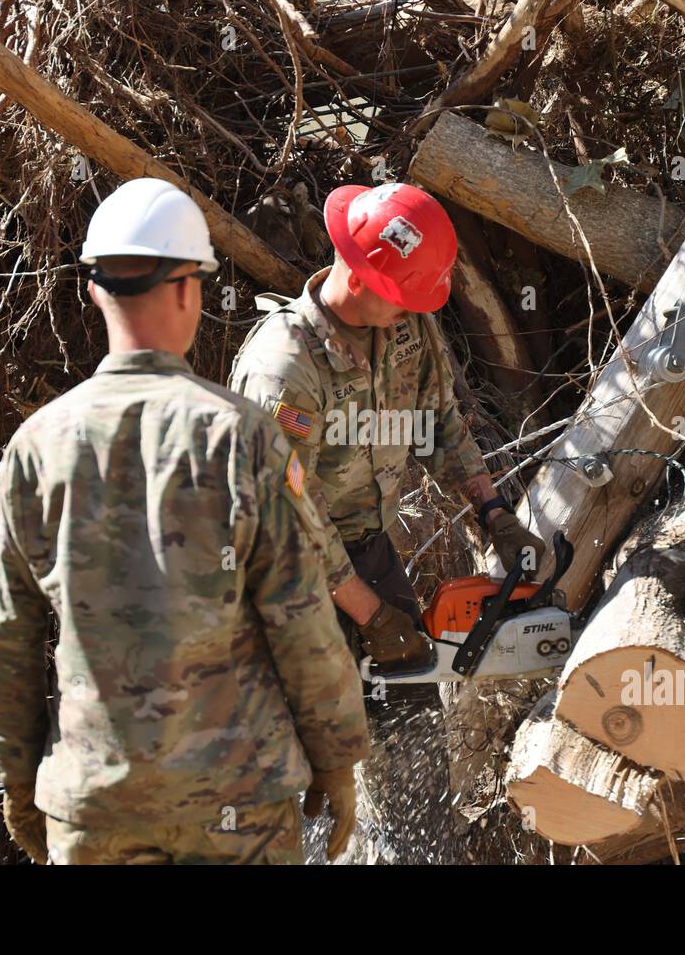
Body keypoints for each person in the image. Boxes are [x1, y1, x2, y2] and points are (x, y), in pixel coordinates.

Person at [0, 178, 370, 865]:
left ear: (94, 290)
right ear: (190, 289)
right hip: (238, 802)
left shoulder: (37, 447)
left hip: (97, 802)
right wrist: (336, 760)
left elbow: (4, 636)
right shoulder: (244, 439)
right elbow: (302, 619)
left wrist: (17, 782)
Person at [229, 182, 544, 862]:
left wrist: (494, 514)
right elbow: (287, 523)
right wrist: (369, 615)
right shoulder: (284, 368)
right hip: (280, 583)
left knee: (412, 739)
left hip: (367, 553)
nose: (411, 309)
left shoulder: (405, 326)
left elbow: (442, 423)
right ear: (361, 275)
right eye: (403, 296)